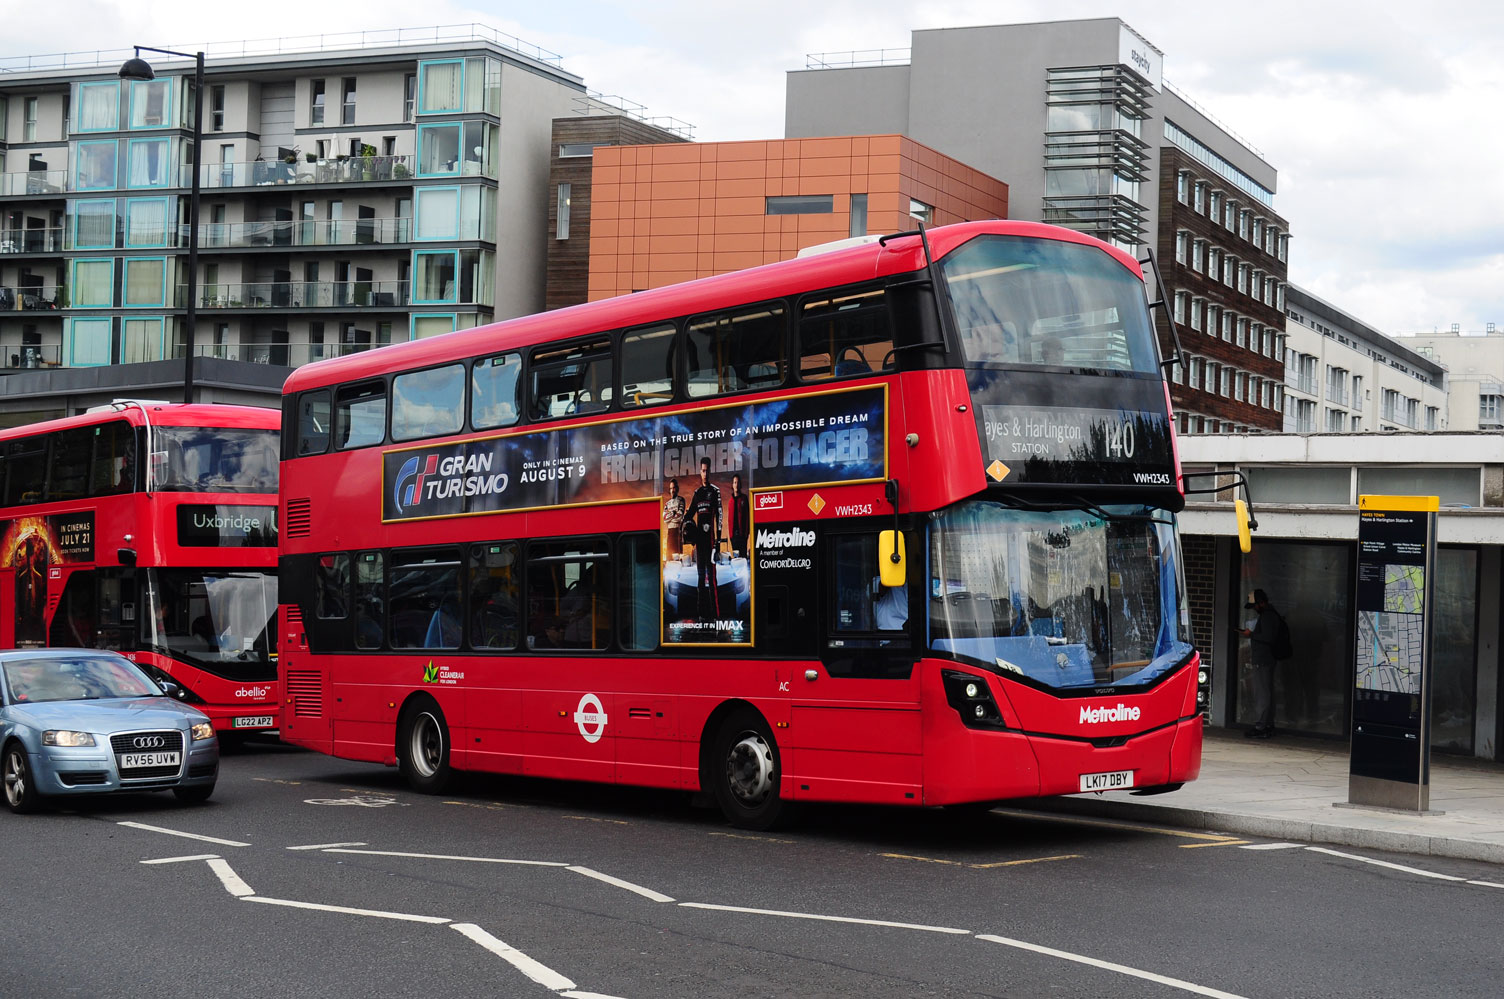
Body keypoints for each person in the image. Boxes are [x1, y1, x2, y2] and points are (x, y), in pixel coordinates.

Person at [1239, 588, 1281, 738]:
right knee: (1267, 692)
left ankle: (1261, 726)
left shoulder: (1267, 616)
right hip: (1267, 659)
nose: (1254, 609)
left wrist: (1251, 634)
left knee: (1262, 694)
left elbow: (1267, 637)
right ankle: (1267, 725)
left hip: (1263, 660)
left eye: (1255, 606)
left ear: (1261, 603)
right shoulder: (1272, 615)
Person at [687, 456, 723, 620]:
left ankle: (716, 616)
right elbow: (689, 514)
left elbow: (720, 517)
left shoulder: (715, 491)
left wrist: (718, 543)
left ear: (710, 471)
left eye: (707, 470)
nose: (705, 474)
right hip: (700, 544)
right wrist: (685, 525)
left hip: (711, 542)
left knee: (712, 580)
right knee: (700, 579)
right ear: (700, 472)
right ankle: (701, 615)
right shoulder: (697, 493)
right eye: (703, 471)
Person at [661, 477, 685, 559]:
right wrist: (674, 513)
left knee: (677, 558)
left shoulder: (681, 500)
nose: (672, 490)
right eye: (671, 488)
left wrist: (670, 516)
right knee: (669, 558)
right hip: (670, 533)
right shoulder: (667, 504)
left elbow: (680, 516)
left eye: (674, 488)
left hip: (678, 532)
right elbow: (665, 519)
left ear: (677, 489)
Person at [727, 473, 750, 557]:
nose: (736, 485)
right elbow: (729, 520)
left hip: (742, 535)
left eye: (737, 482)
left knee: (743, 557)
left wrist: (746, 534)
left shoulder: (744, 498)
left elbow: (747, 517)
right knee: (736, 559)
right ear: (732, 485)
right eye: (734, 482)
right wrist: (731, 535)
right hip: (734, 536)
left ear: (740, 484)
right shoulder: (730, 501)